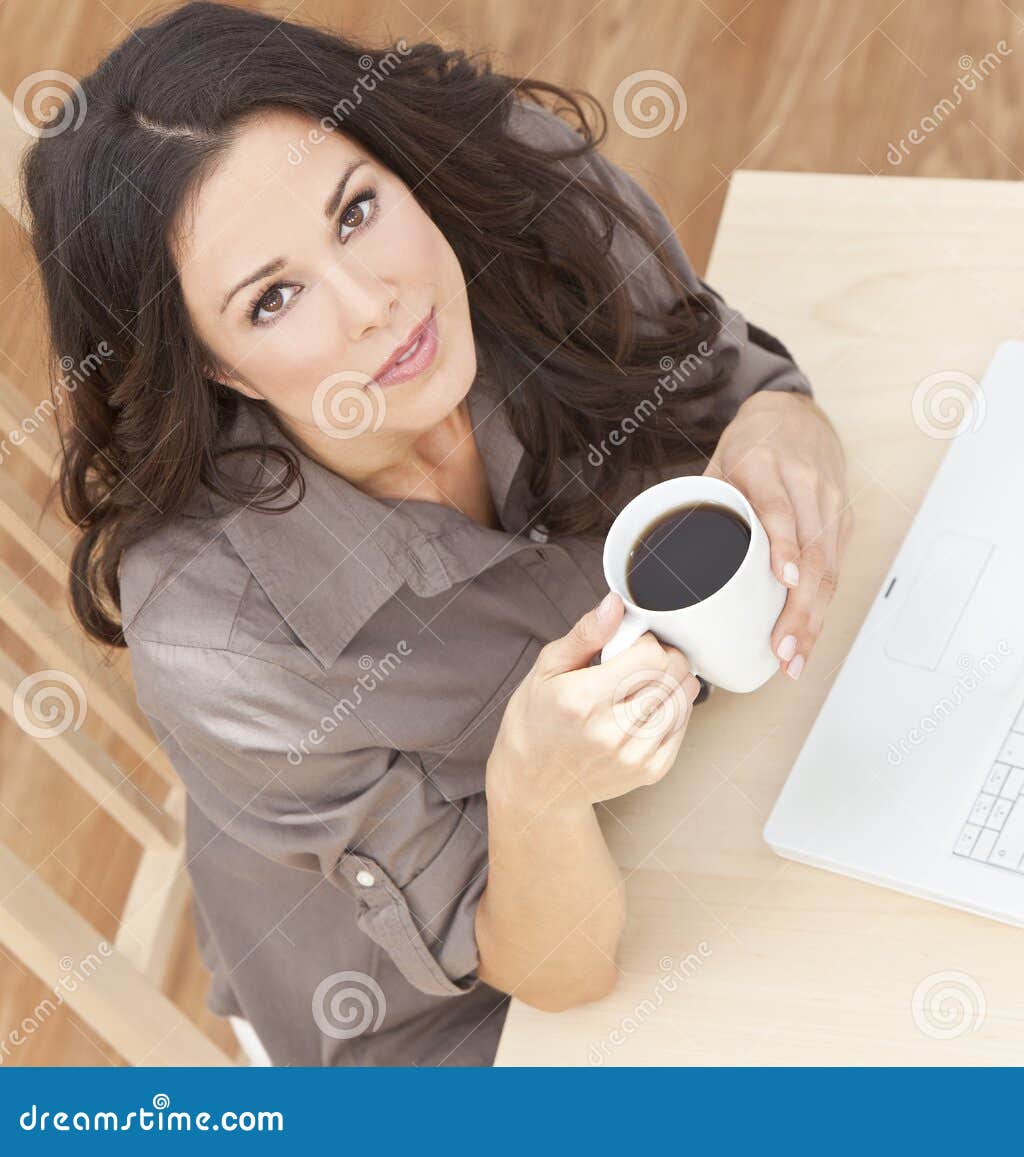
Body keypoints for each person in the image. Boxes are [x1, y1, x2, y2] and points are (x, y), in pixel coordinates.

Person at [20, 0, 849, 1065]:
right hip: (470, 1013)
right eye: (275, 298)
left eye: (356, 209)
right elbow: (557, 970)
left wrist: (786, 419)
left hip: (710, 778)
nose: (375, 303)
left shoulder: (505, 183)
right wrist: (533, 786)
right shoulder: (217, 634)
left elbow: (721, 377)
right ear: (216, 368)